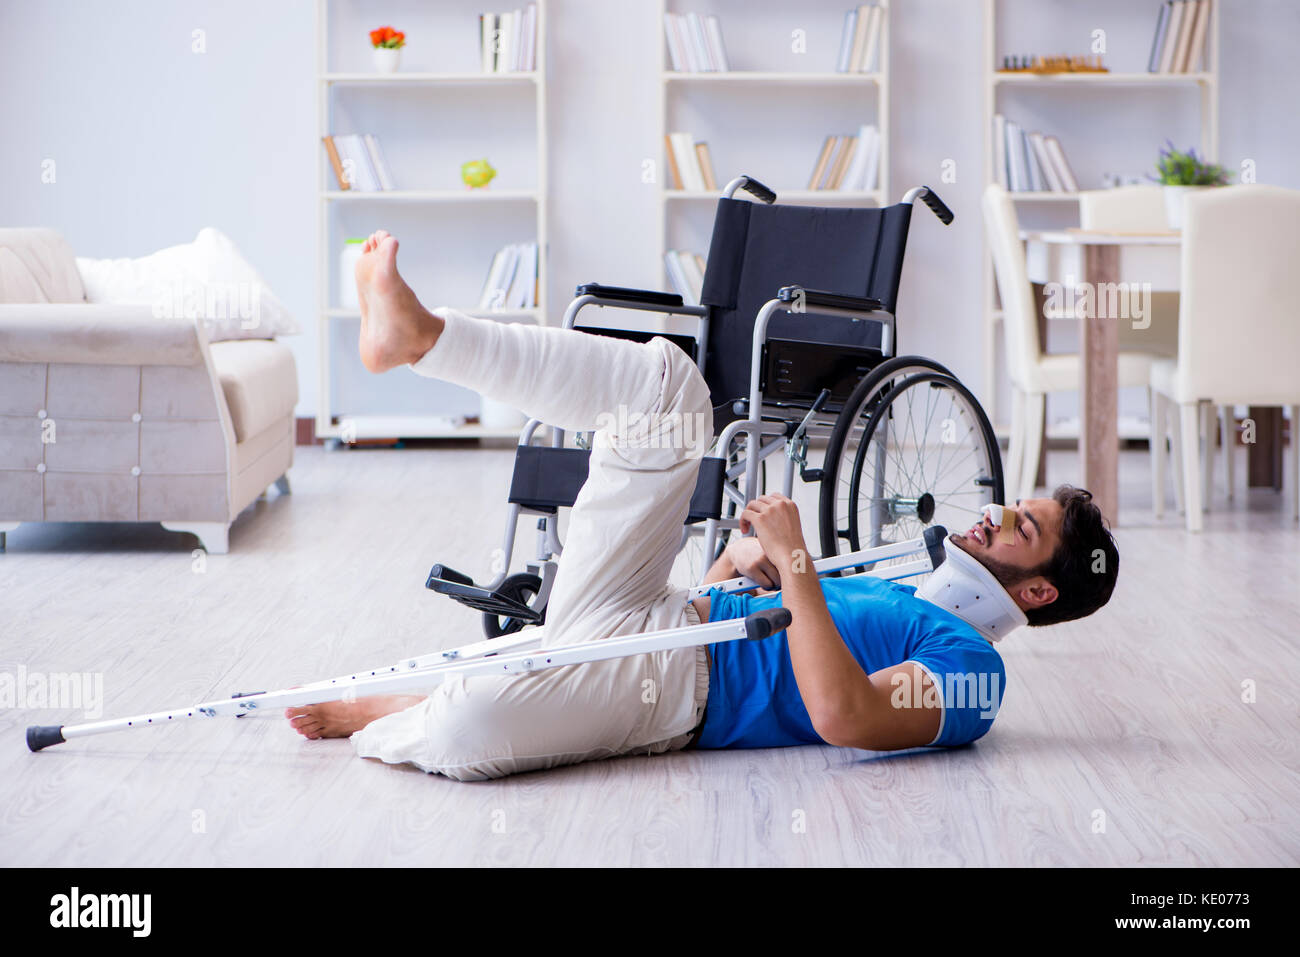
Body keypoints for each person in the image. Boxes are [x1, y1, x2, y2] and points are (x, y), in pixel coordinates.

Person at [284, 230, 1120, 780]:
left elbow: (844, 714)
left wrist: (794, 563)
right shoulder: (908, 581)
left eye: (1024, 527)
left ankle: (391, 713)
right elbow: (760, 605)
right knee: (670, 389)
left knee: (471, 731)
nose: (999, 513)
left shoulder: (975, 675)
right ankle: (424, 338)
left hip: (677, 683)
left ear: (1039, 590)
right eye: (1017, 505)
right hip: (673, 603)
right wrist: (741, 562)